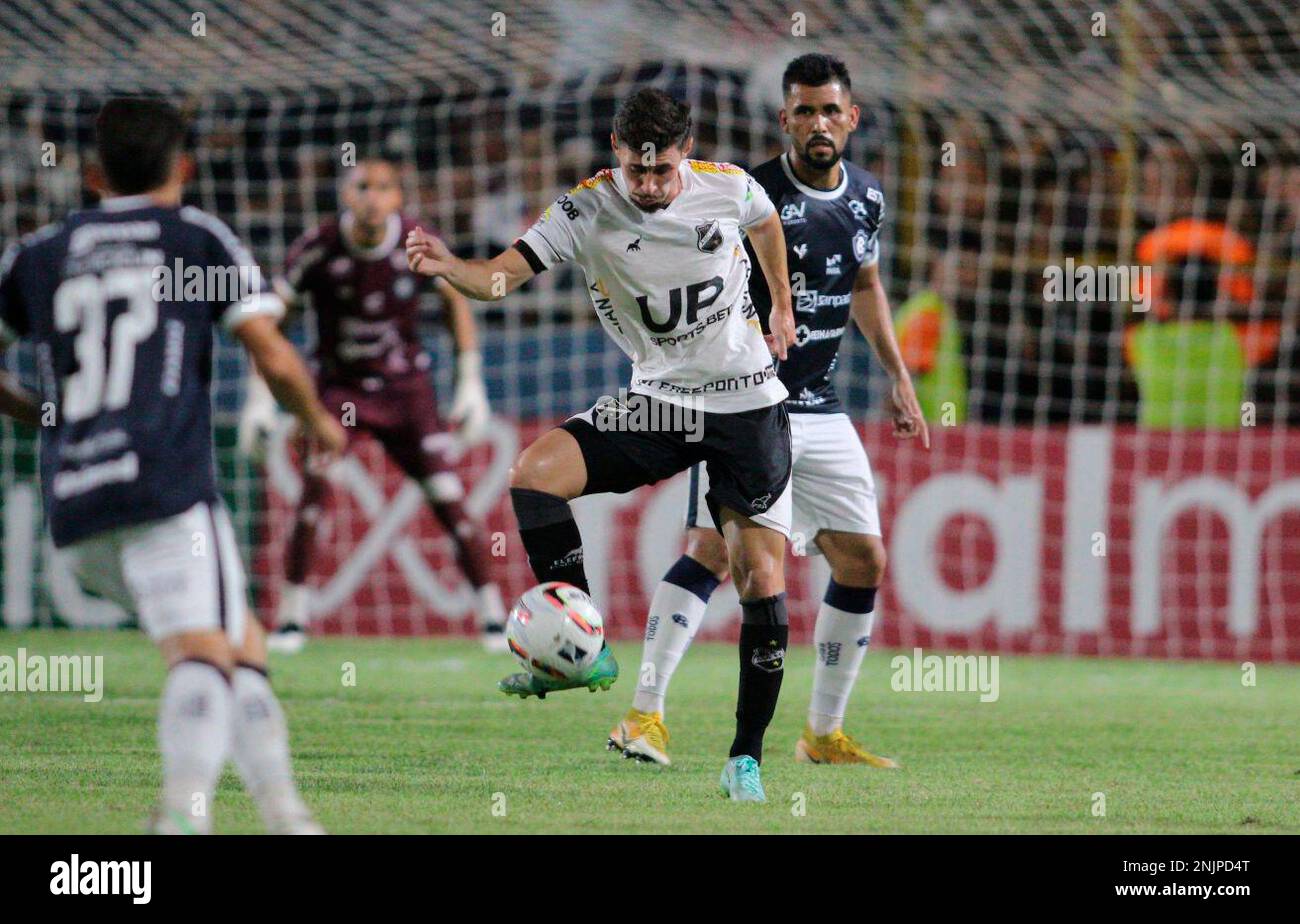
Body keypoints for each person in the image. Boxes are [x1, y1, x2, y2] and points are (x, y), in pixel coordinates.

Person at [406, 87, 798, 802]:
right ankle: (583, 648)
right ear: (617, 155)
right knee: (533, 476)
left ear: (685, 154)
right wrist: (448, 267)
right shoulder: (587, 207)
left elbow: (767, 222)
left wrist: (781, 302)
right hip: (659, 403)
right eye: (636, 171)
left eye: (662, 172)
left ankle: (745, 758)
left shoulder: (728, 188)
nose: (648, 186)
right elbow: (502, 275)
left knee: (760, 582)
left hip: (746, 405)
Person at [0, 97, 346, 833]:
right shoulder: (194, 239)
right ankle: (181, 817)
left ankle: (288, 817)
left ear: (91, 174)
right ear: (184, 167)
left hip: (76, 506)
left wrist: (40, 412)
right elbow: (273, 352)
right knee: (203, 656)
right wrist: (317, 422)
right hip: (165, 488)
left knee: (240, 645)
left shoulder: (38, 255)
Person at [609, 54, 929, 768]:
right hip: (746, 405)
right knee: (715, 552)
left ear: (851, 117)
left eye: (830, 110)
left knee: (862, 558)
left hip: (823, 403)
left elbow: (866, 282)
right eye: (804, 111)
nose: (819, 123)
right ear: (784, 119)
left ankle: (821, 734)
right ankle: (642, 715)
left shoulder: (868, 198)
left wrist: (899, 374)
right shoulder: (743, 197)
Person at [239, 157, 506, 652]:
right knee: (313, 495)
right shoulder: (318, 248)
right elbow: (265, 321)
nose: (372, 197)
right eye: (362, 187)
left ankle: (493, 616)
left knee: (448, 498)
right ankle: (292, 619)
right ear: (345, 194)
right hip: (339, 392)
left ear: (397, 198)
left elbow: (455, 300)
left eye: (384, 188)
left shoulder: (416, 242)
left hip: (408, 393)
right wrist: (259, 399)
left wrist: (471, 382)